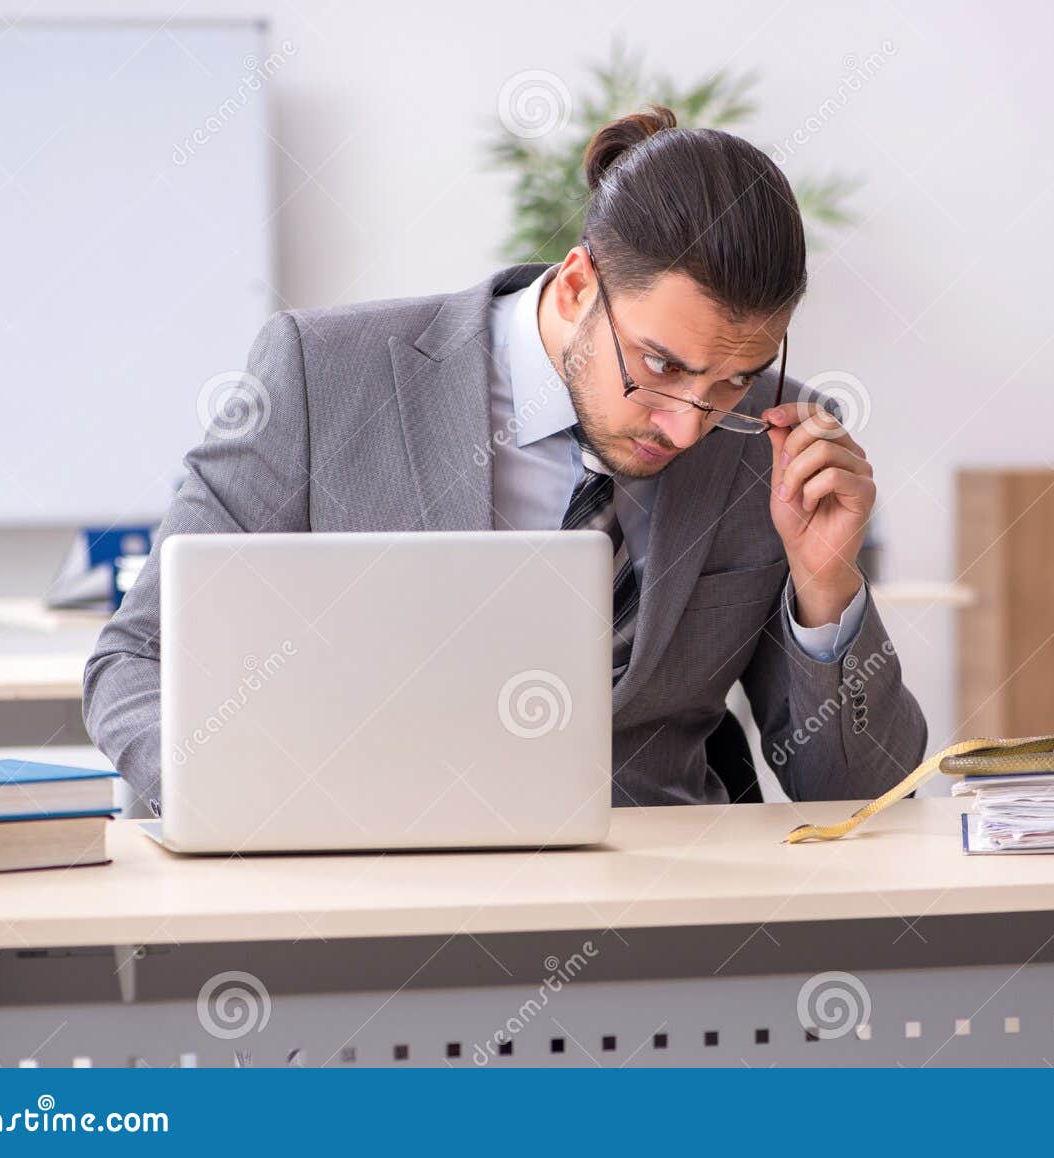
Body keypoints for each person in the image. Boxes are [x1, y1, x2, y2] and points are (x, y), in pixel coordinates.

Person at [84, 105, 927, 815]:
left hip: (664, 927)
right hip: (365, 894)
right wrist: (256, 811)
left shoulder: (768, 447)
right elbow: (136, 662)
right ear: (575, 287)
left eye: (736, 377)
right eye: (661, 366)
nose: (685, 424)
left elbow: (862, 794)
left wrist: (826, 590)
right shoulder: (324, 377)